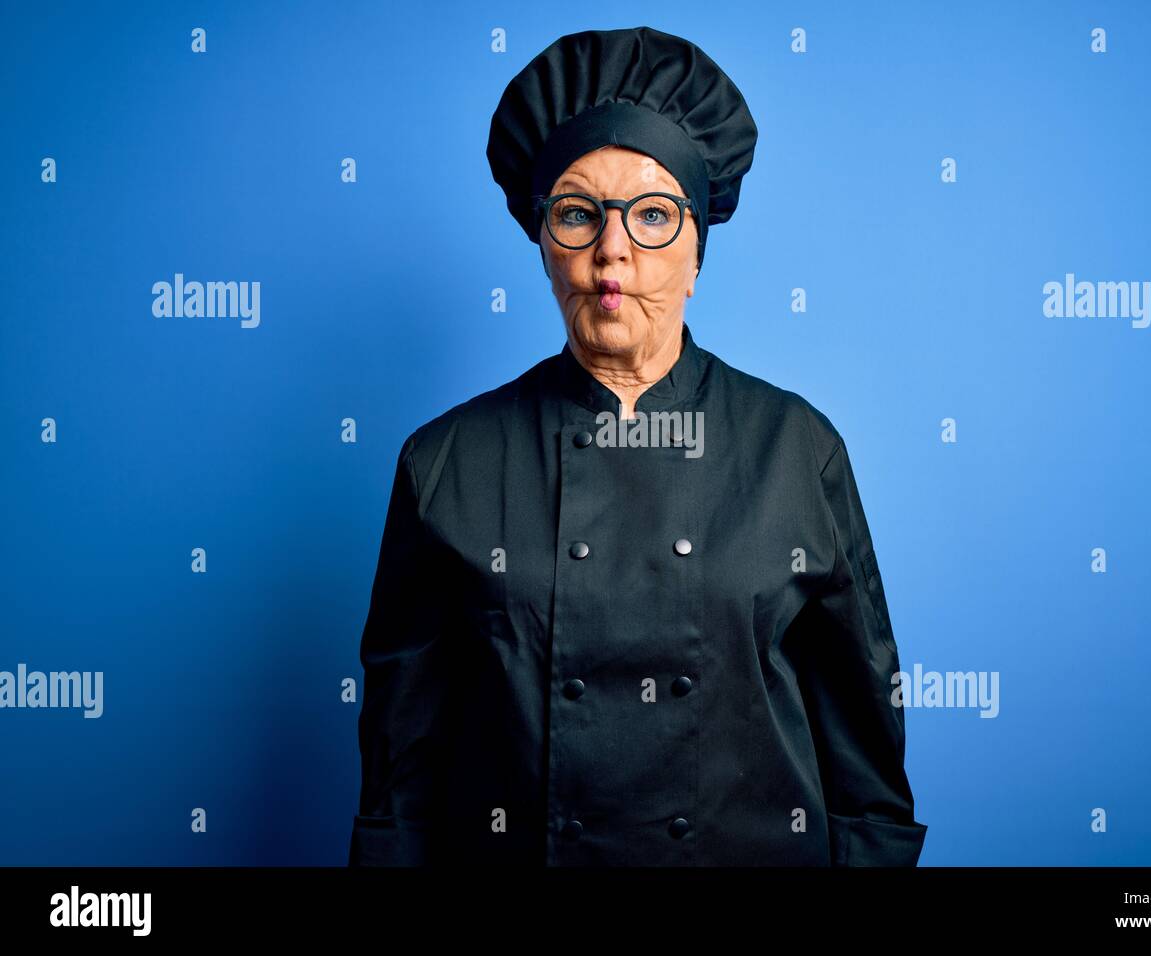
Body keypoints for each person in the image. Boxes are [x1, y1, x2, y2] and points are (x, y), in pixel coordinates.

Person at [348, 25, 927, 866]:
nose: (612, 250)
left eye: (653, 215)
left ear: (696, 252)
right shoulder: (448, 463)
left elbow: (864, 745)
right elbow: (400, 780)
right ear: (545, 247)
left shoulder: (797, 449)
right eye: (579, 214)